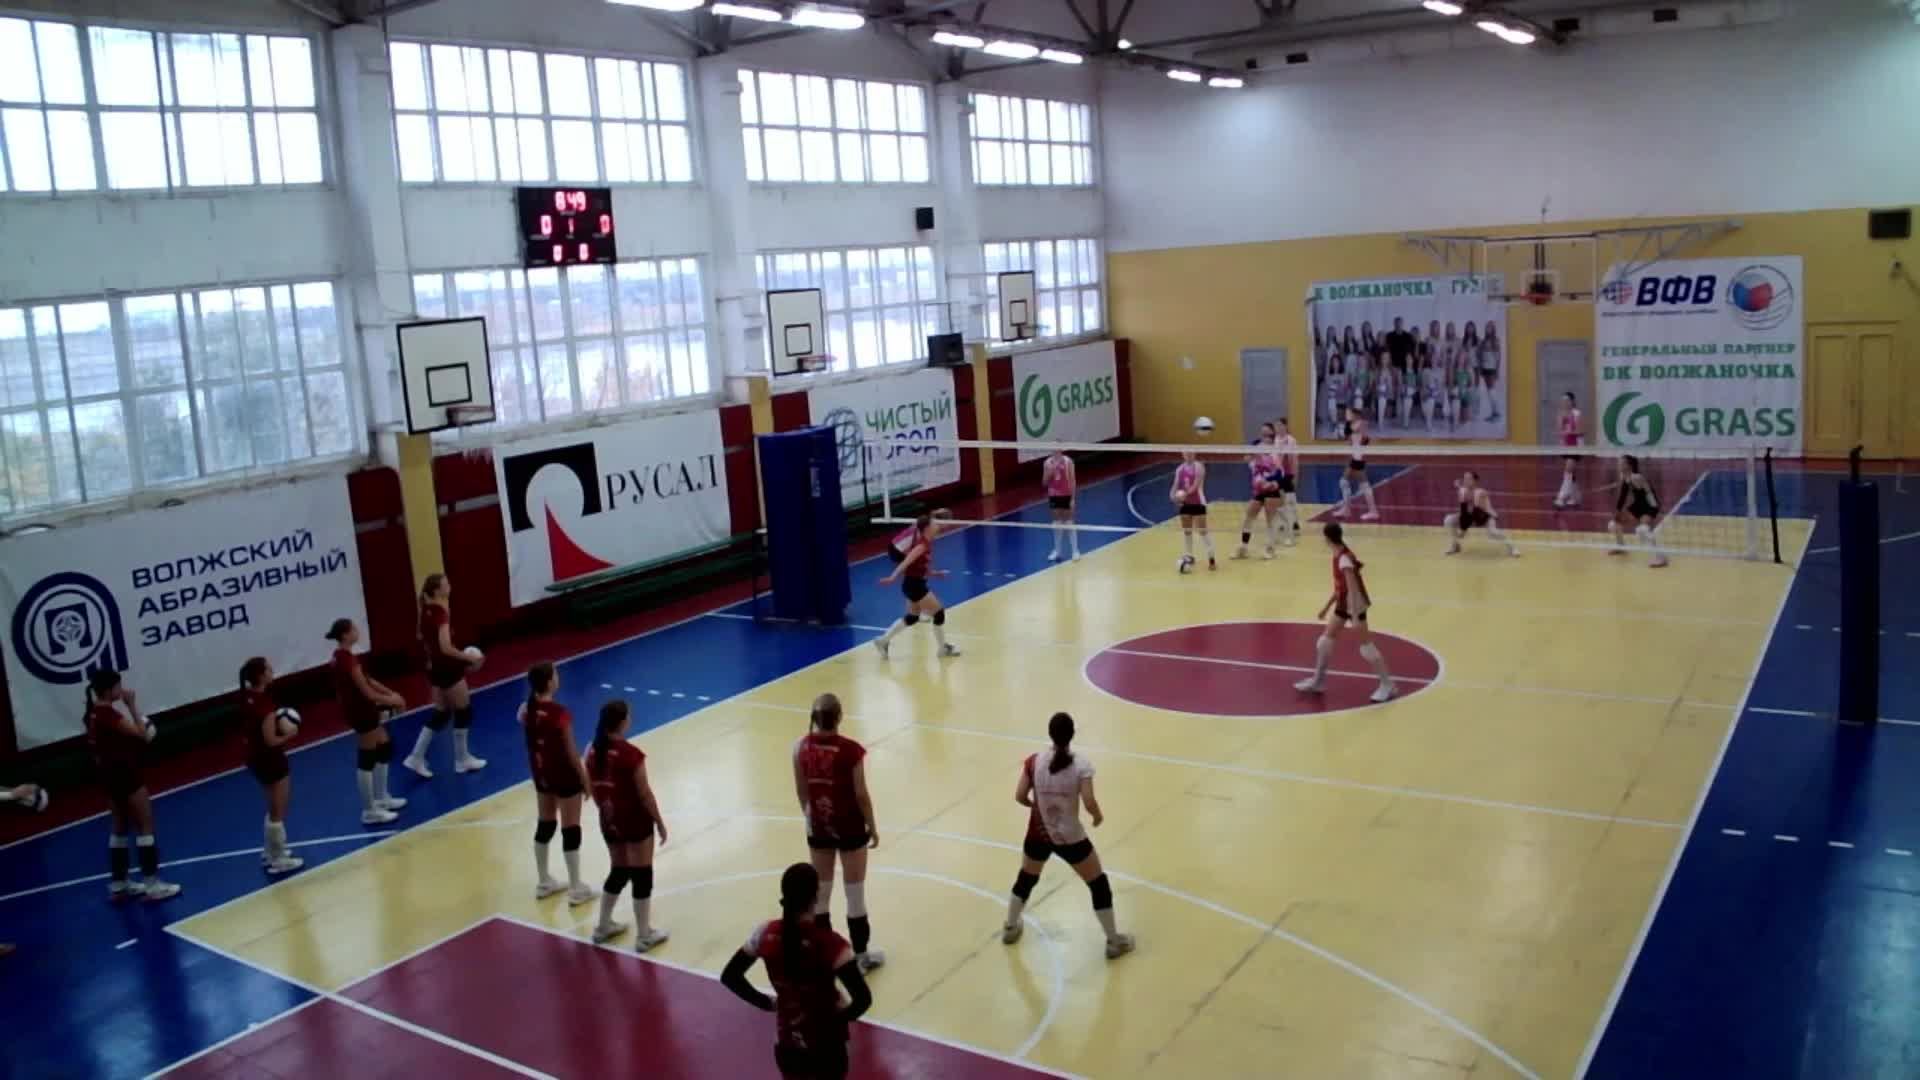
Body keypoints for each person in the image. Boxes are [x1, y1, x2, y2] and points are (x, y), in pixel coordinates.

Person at [720, 863, 874, 1080]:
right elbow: (863, 999)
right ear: (816, 896)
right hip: (828, 1047)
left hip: (788, 1043)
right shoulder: (831, 944)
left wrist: (767, 1003)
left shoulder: (764, 933)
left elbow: (730, 976)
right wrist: (838, 1020)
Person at [1002, 712, 1135, 959]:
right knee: (1098, 884)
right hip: (1070, 838)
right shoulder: (1081, 765)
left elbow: (1020, 795)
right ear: (1072, 734)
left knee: (1026, 878)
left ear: (1050, 734)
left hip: (1038, 834)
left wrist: (1035, 807)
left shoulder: (1034, 762)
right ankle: (1113, 941)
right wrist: (1097, 816)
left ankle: (1010, 927)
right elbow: (1089, 800)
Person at [792, 693, 884, 973]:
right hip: (850, 826)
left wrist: (812, 818)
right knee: (854, 894)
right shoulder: (851, 751)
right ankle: (861, 956)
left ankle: (826, 956)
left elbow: (802, 791)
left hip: (819, 826)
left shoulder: (800, 748)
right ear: (840, 717)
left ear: (814, 717)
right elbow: (861, 794)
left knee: (821, 894)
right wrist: (872, 826)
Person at [82, 670, 180, 902]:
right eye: (118, 686)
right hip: (126, 775)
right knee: (145, 825)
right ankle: (152, 884)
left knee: (119, 827)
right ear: (109, 690)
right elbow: (142, 735)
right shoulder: (108, 714)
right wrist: (133, 706)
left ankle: (119, 883)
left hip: (108, 776)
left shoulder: (92, 714)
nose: (122, 690)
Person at [585, 699, 670, 951]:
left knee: (619, 870)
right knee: (642, 875)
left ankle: (603, 926)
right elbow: (645, 794)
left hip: (609, 820)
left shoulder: (592, 750)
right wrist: (659, 822)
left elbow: (591, 786)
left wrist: (605, 809)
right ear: (623, 722)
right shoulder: (631, 755)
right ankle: (644, 935)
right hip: (634, 819)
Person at [1294, 523, 1396, 704]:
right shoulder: (1339, 554)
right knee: (1325, 642)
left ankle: (1388, 685)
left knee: (1366, 647)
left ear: (1327, 539)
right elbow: (1340, 588)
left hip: (1355, 605)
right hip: (1343, 603)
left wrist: (1355, 615)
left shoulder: (1344, 559)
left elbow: (1353, 588)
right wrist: (1326, 607)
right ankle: (1318, 681)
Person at [520, 661, 594, 905]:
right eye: (556, 675)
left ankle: (544, 881)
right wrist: (585, 779)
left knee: (546, 824)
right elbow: (571, 753)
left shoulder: (526, 710)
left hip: (541, 773)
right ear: (550, 682)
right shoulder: (559, 714)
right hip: (563, 774)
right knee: (570, 828)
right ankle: (576, 887)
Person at [404, 573, 486, 779]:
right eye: (445, 584)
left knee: (441, 714)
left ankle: (416, 757)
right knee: (463, 711)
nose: (449, 585)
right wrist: (468, 658)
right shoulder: (440, 613)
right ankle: (462, 760)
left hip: (435, 668)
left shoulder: (425, 611)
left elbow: (425, 640)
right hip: (448, 668)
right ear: (436, 590)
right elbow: (446, 647)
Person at [328, 618, 406, 826]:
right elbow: (367, 692)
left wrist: (391, 693)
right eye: (354, 629)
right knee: (367, 758)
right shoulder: (346, 659)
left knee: (384, 745)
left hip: (362, 709)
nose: (357, 631)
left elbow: (368, 680)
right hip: (360, 711)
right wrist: (392, 700)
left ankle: (381, 797)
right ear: (345, 634)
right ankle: (369, 810)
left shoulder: (342, 656)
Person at [240, 657, 303, 875]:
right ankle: (278, 859)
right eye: (268, 669)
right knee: (278, 810)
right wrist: (290, 734)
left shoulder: (247, 697)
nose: (272, 671)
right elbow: (271, 740)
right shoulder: (265, 706)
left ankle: (269, 851)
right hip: (271, 759)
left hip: (254, 758)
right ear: (261, 675)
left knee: (272, 806)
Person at [874, 511, 960, 659]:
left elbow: (920, 565)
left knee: (913, 617)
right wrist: (892, 577)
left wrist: (935, 573)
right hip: (914, 585)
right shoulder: (921, 545)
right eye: (934, 524)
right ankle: (942, 649)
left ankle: (883, 641)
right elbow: (905, 563)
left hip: (912, 584)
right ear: (927, 528)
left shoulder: (927, 542)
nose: (938, 526)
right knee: (938, 613)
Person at [1608, 455, 1669, 568]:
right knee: (1614, 524)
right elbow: (1622, 496)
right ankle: (1621, 546)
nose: (1618, 464)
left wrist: (1654, 509)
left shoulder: (1637, 477)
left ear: (1628, 466)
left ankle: (1661, 558)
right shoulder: (1625, 477)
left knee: (1642, 530)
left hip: (1649, 506)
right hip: (1638, 505)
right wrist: (1618, 511)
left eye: (1621, 462)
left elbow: (1649, 493)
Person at [1233, 424, 1282, 560]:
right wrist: (1253, 454)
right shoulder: (1256, 446)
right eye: (1263, 431)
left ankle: (1270, 549)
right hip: (1258, 489)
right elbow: (1246, 458)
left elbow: (1280, 472)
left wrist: (1271, 482)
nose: (1265, 434)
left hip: (1271, 488)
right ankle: (1243, 548)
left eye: (1268, 432)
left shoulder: (1276, 450)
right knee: (1249, 517)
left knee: (1270, 520)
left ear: (1272, 433)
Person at [1444, 470, 1519, 557]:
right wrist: (1463, 530)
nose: (1466, 481)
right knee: (1448, 520)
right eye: (1465, 479)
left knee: (1493, 533)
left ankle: (1513, 548)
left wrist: (1463, 530)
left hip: (1484, 516)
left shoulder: (1481, 492)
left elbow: (1477, 511)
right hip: (1470, 516)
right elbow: (1464, 511)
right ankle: (1455, 546)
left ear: (1475, 481)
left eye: (1469, 479)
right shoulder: (1462, 491)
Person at [1169, 449, 1215, 573]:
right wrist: (1172, 495)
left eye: (1191, 452)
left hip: (1198, 503)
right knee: (1187, 531)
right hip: (1186, 504)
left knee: (1203, 532)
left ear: (1194, 454)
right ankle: (1189, 556)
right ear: (1182, 454)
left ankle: (1211, 558)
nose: (1188, 454)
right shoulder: (1179, 469)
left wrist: (1183, 494)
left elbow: (1196, 485)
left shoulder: (1199, 467)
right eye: (1186, 453)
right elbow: (1175, 484)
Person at [1333, 409, 1380, 521]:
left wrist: (1353, 433)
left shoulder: (1361, 424)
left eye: (1349, 414)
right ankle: (1347, 509)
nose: (1347, 415)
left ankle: (1373, 511)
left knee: (1363, 484)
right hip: (1353, 456)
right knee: (1344, 482)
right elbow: (1349, 440)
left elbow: (1365, 439)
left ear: (1355, 415)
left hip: (1358, 457)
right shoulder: (1350, 425)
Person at [1043, 446, 1079, 562]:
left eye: (1058, 448)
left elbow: (1072, 481)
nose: (1056, 451)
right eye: (1054, 448)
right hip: (1054, 496)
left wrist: (1072, 498)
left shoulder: (1068, 461)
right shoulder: (1047, 463)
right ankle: (1057, 550)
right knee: (1056, 523)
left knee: (1069, 522)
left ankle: (1075, 551)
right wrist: (1050, 472)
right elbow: (1044, 482)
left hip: (1066, 494)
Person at [1554, 393, 1583, 508]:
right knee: (1571, 473)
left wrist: (1570, 432)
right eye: (1563, 401)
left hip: (1576, 446)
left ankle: (1561, 497)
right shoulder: (1560, 414)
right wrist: (1561, 432)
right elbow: (1559, 431)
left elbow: (1581, 431)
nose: (1565, 403)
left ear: (1572, 401)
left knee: (1568, 469)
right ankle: (1575, 497)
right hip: (1565, 446)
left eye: (1567, 400)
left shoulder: (1577, 414)